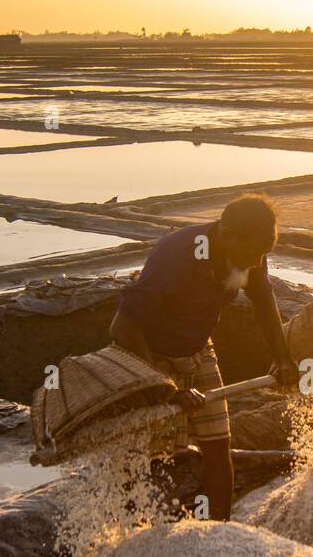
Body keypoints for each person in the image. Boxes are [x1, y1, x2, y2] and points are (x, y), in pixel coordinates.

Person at [108, 193, 299, 520]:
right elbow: (123, 326)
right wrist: (163, 385)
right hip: (149, 354)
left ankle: (221, 532)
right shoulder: (178, 255)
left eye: (264, 252)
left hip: (197, 348)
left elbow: (263, 298)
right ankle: (138, 533)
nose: (257, 261)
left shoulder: (252, 251)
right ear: (226, 235)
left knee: (217, 445)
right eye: (254, 252)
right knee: (152, 453)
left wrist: (283, 357)